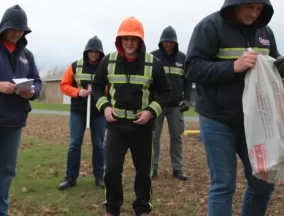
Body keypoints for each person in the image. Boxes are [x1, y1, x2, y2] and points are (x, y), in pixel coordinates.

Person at [185, 0, 284, 216]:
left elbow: (271, 67)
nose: (254, 13)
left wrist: (283, 67)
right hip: (217, 119)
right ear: (236, 1)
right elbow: (192, 68)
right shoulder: (209, 27)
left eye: (259, 8)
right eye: (249, 7)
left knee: (263, 182)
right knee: (224, 185)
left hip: (254, 122)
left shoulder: (265, 33)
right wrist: (233, 67)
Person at [92, 16, 172, 216]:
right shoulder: (107, 61)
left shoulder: (154, 63)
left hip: (142, 126)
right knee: (111, 169)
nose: (129, 43)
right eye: (125, 39)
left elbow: (165, 92)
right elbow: (97, 88)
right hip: (116, 125)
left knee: (144, 171)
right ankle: (112, 208)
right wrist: (105, 107)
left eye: (133, 39)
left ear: (140, 41)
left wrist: (151, 111)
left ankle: (143, 208)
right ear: (119, 40)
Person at [0, 5, 42, 216]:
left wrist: (32, 91)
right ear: (4, 27)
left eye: (21, 30)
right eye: (13, 29)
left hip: (14, 119)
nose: (17, 33)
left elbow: (38, 82)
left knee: (7, 170)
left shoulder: (28, 55)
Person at [58, 36, 106, 190]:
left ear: (100, 53)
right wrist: (79, 92)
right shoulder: (75, 66)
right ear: (86, 52)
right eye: (91, 51)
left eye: (96, 52)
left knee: (99, 144)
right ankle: (71, 177)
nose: (94, 54)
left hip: (98, 111)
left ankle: (100, 177)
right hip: (78, 111)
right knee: (74, 144)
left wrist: (100, 90)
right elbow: (64, 85)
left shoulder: (104, 67)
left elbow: (110, 88)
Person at [151, 26, 192, 180]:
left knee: (177, 137)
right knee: (153, 137)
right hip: (157, 105)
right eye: (166, 41)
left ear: (175, 43)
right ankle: (152, 168)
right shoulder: (153, 57)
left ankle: (178, 169)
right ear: (161, 42)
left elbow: (188, 81)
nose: (168, 44)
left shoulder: (183, 58)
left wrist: (187, 99)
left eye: (171, 41)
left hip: (176, 105)